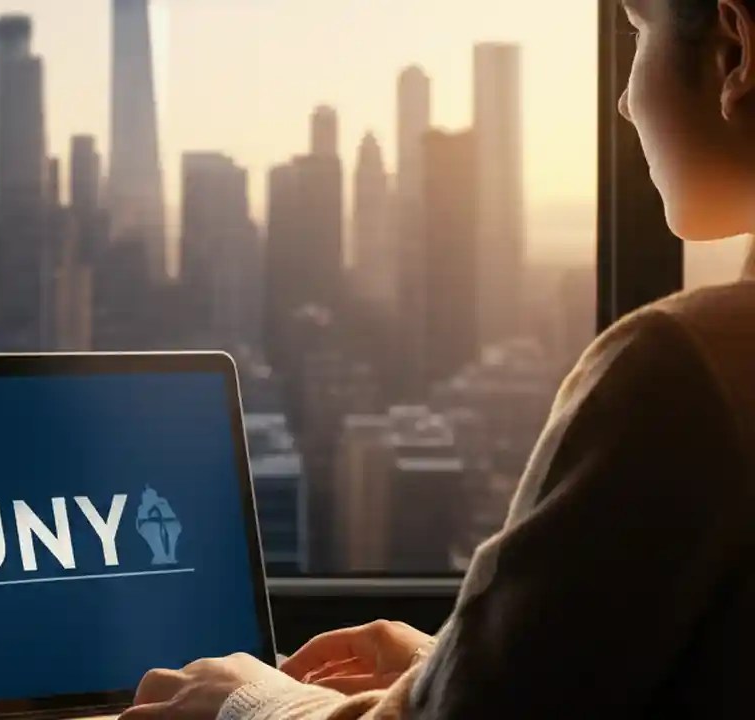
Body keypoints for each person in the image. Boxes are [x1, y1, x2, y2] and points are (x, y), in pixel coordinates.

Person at [120, 0, 755, 717]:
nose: (622, 99)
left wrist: (252, 702)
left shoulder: (685, 371)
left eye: (637, 33)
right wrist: (446, 667)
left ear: (733, 52)